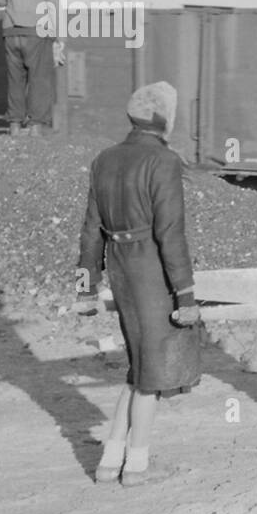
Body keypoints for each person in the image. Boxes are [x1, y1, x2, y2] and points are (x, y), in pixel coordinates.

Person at [77, 82, 201, 487]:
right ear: (166, 119)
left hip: (119, 268)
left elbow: (90, 232)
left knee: (138, 367)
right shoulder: (163, 161)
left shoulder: (105, 159)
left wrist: (85, 286)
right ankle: (137, 466)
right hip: (152, 272)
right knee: (152, 374)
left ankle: (110, 460)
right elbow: (171, 233)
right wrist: (185, 295)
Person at [0, 0, 60, 136]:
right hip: (37, 31)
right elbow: (53, 3)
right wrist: (59, 37)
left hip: (11, 31)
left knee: (15, 79)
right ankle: (35, 127)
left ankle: (14, 125)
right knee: (39, 79)